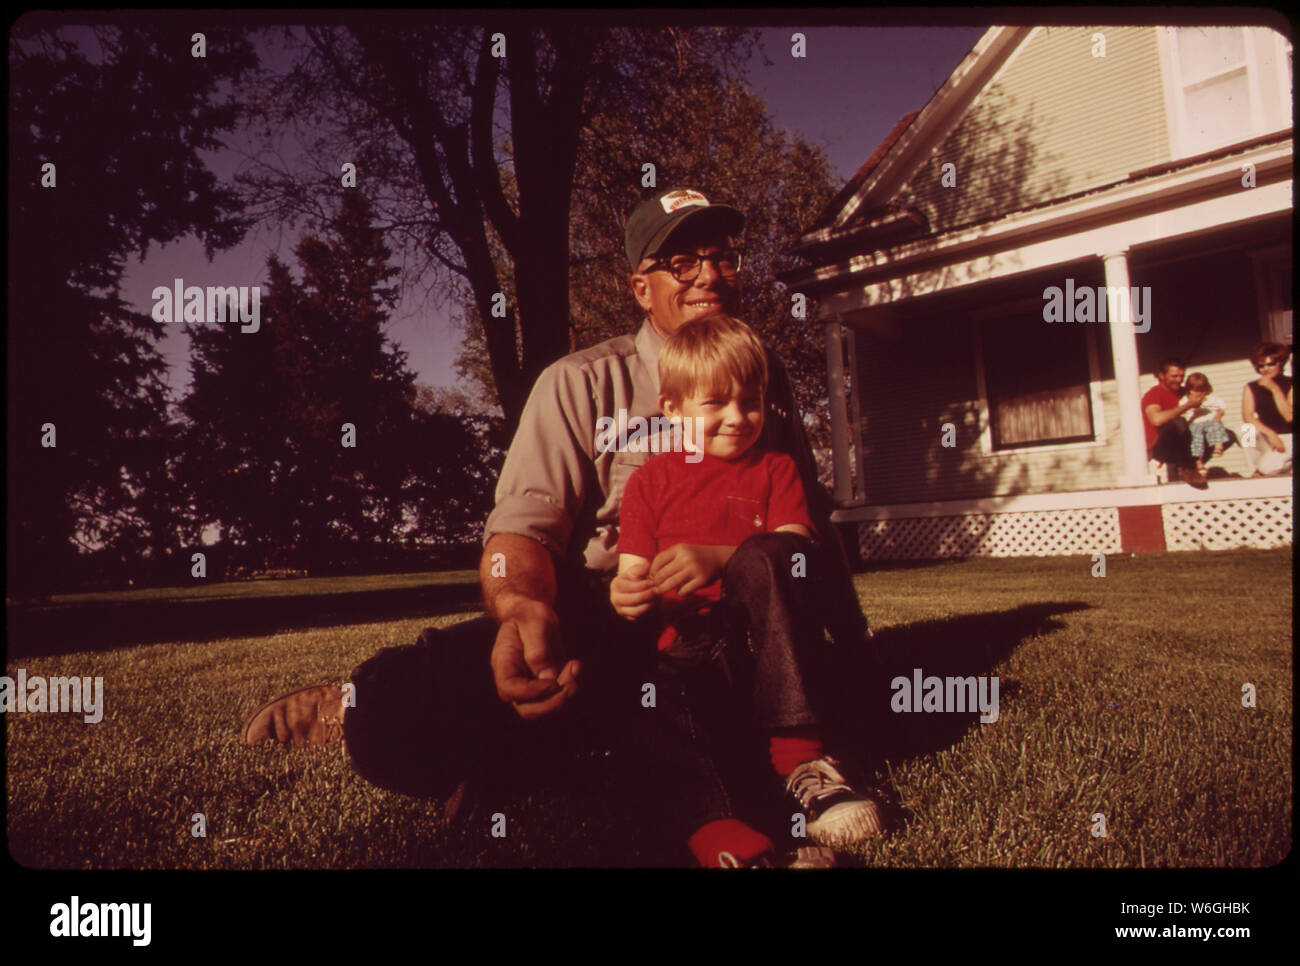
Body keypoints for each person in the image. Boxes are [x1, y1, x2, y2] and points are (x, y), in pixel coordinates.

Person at [240, 187, 879, 867]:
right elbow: (519, 532)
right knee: (391, 707)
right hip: (613, 621)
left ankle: (564, 764)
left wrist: (857, 652)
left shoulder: (765, 376)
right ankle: (356, 710)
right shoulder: (579, 383)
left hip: (753, 632)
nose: (709, 276)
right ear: (642, 287)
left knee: (781, 713)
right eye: (682, 262)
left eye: (721, 257)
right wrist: (519, 607)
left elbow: (807, 525)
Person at [613, 314, 882, 867]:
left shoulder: (776, 469)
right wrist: (628, 593)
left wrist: (718, 558)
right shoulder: (649, 483)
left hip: (769, 647)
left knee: (768, 555)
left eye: (751, 401)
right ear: (673, 408)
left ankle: (803, 763)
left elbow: (794, 554)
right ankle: (726, 840)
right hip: (690, 654)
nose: (738, 418)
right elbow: (630, 572)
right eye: (716, 403)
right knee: (653, 713)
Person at [1142, 358, 1235, 487]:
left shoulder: (1185, 392)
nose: (1179, 380)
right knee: (1179, 423)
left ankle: (1191, 465)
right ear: (1162, 375)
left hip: (1188, 444)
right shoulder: (1154, 394)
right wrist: (1187, 405)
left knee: (1228, 435)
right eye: (1174, 376)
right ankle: (1187, 466)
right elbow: (1156, 419)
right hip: (1162, 447)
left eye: (1182, 376)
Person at [1240, 342, 1293, 477]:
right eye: (1261, 366)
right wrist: (1270, 434)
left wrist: (1274, 389)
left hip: (1288, 436)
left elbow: (1289, 417)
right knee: (1246, 430)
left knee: (1268, 469)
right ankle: (1255, 469)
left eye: (1271, 364)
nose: (1266, 369)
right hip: (1268, 437)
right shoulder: (1251, 386)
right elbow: (1248, 416)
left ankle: (1263, 471)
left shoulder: (1291, 383)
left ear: (1280, 363)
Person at [1178, 372, 1229, 474]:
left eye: (1201, 390)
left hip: (1210, 422)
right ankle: (1198, 460)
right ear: (1188, 390)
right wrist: (1190, 405)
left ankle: (1218, 446)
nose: (1197, 393)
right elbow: (1182, 413)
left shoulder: (1212, 399)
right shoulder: (1185, 401)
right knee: (1196, 437)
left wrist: (1219, 414)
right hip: (1195, 424)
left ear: (1206, 389)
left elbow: (1221, 409)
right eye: (1194, 390)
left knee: (1216, 424)